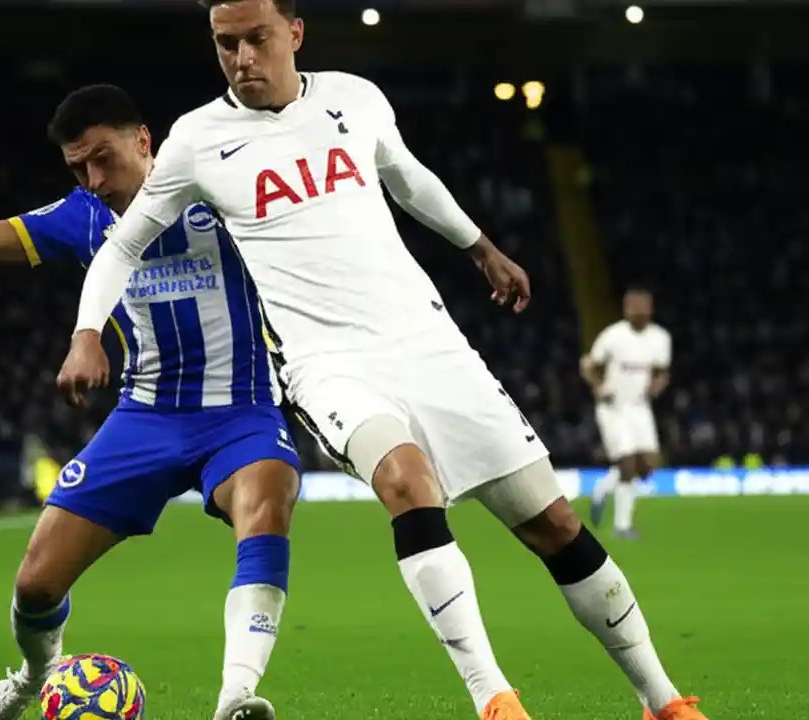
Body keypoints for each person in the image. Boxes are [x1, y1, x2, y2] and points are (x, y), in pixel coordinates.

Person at [56, 2, 707, 719]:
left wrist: (480, 248)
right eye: (225, 44)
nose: (241, 57)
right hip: (327, 363)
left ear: (294, 33)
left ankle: (662, 699)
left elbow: (409, 178)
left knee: (551, 522)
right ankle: (495, 699)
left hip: (428, 343)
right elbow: (120, 245)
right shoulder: (196, 141)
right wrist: (88, 332)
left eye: (256, 39)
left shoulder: (354, 98)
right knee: (406, 482)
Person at [0, 84, 301, 720]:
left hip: (242, 408)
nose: (95, 180)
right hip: (145, 417)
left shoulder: (219, 184)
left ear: (144, 141)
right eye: (78, 168)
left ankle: (237, 696)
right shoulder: (83, 218)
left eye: (104, 159)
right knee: (35, 583)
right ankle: (33, 676)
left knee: (266, 507)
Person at [581, 287, 672, 539]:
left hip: (640, 406)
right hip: (614, 408)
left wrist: (657, 385)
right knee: (628, 463)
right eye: (634, 309)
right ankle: (622, 526)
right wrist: (599, 387)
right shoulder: (613, 336)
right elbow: (588, 364)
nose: (638, 313)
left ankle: (602, 489)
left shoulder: (660, 338)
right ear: (627, 310)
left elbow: (661, 370)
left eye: (643, 309)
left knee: (649, 465)